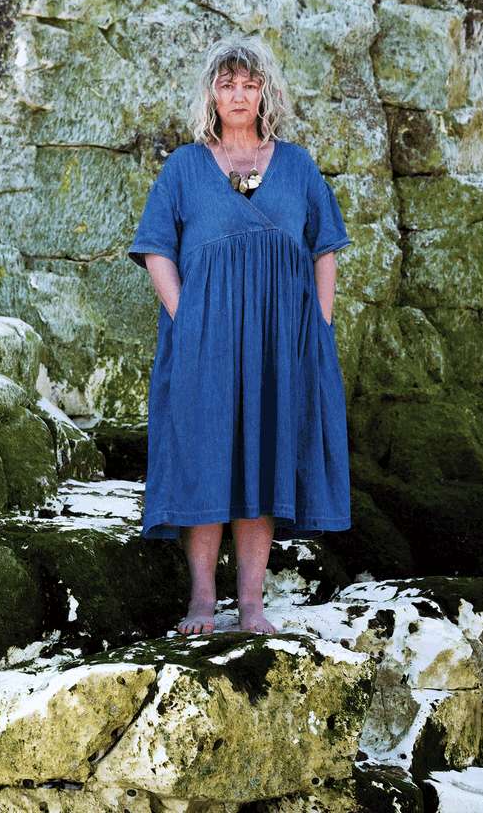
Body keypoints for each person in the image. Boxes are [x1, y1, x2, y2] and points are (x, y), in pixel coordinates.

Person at [129, 33, 351, 635]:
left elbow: (325, 245)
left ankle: (251, 605)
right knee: (206, 460)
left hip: (281, 346)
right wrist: (186, 317)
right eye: (227, 83)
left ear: (265, 93)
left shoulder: (297, 165)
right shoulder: (184, 166)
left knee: (266, 462)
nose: (238, 93)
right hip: (204, 344)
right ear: (211, 93)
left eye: (249, 83)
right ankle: (203, 601)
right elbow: (156, 250)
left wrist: (320, 321)